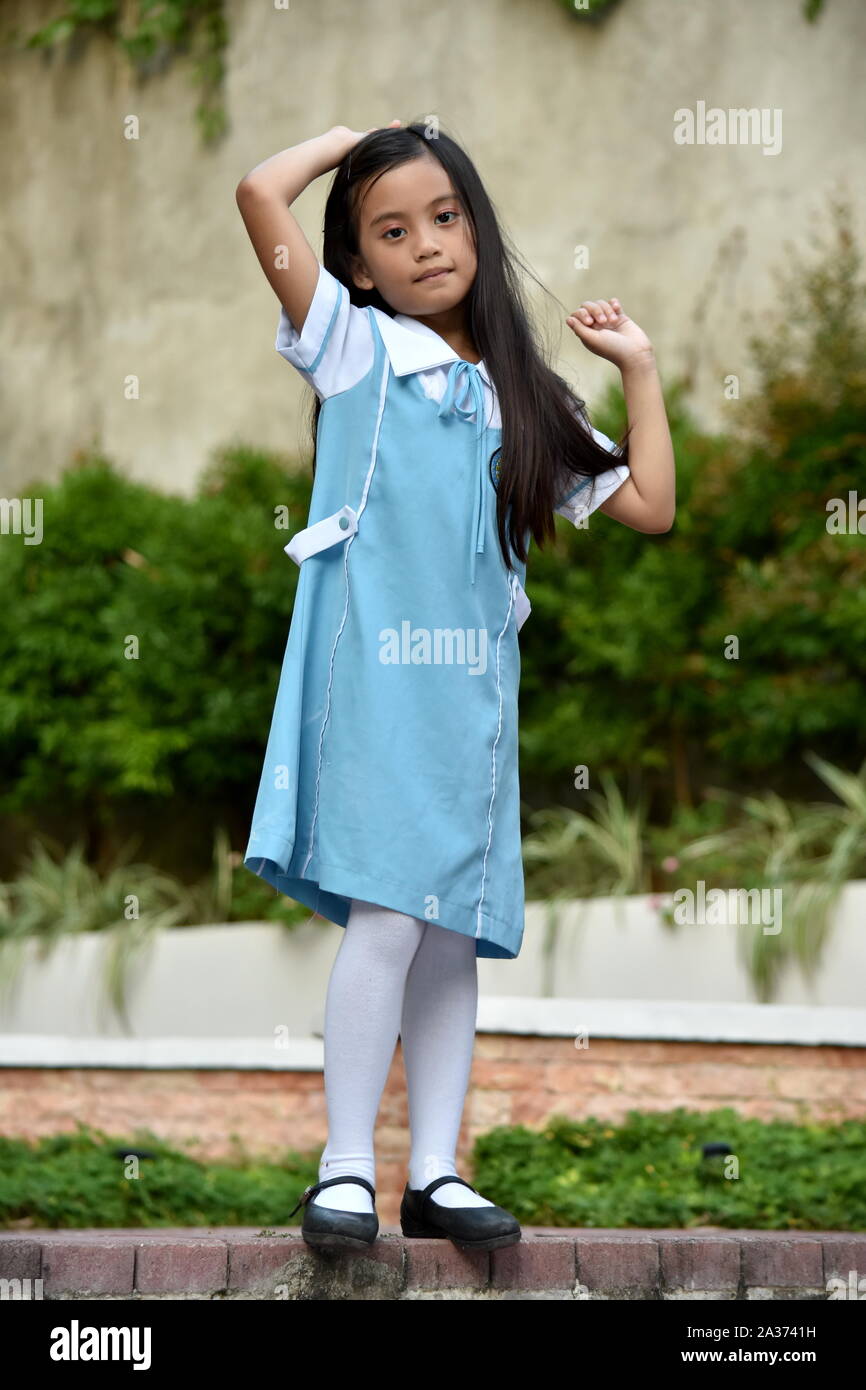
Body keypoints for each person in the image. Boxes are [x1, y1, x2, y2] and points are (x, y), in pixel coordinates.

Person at [235, 120, 675, 1251]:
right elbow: (256, 194)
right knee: (385, 913)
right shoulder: (351, 349)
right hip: (374, 679)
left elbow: (649, 508)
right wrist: (348, 142)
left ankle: (433, 1170)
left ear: (474, 224)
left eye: (443, 216)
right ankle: (343, 1169)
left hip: (470, 708)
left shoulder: (530, 400)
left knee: (447, 931)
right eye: (390, 229)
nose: (425, 244)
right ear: (355, 263)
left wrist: (637, 370)